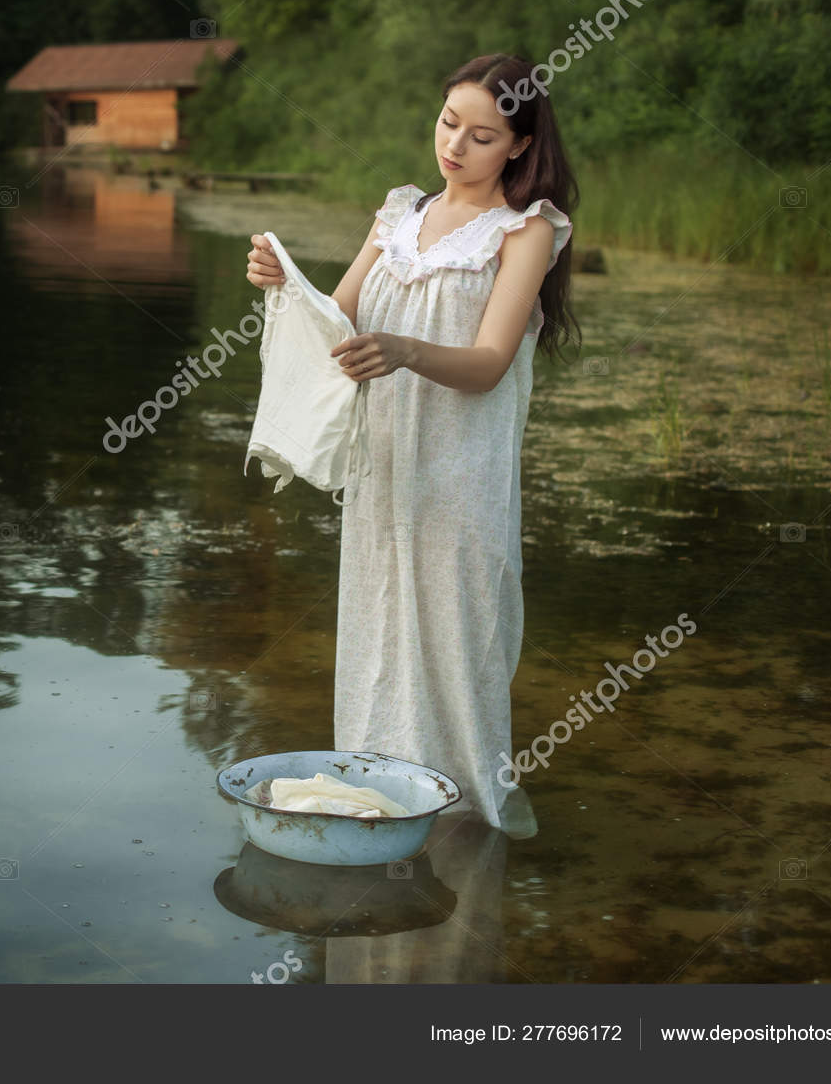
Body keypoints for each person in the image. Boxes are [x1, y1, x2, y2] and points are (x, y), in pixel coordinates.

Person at [245, 53, 580, 835]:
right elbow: (338, 320)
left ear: (521, 146)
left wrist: (403, 351)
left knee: (456, 642)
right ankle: (379, 799)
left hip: (461, 474)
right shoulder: (398, 213)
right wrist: (280, 283)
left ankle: (459, 815)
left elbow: (491, 364)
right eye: (448, 122)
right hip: (385, 469)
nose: (456, 146)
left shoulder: (527, 231)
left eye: (484, 135)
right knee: (379, 632)